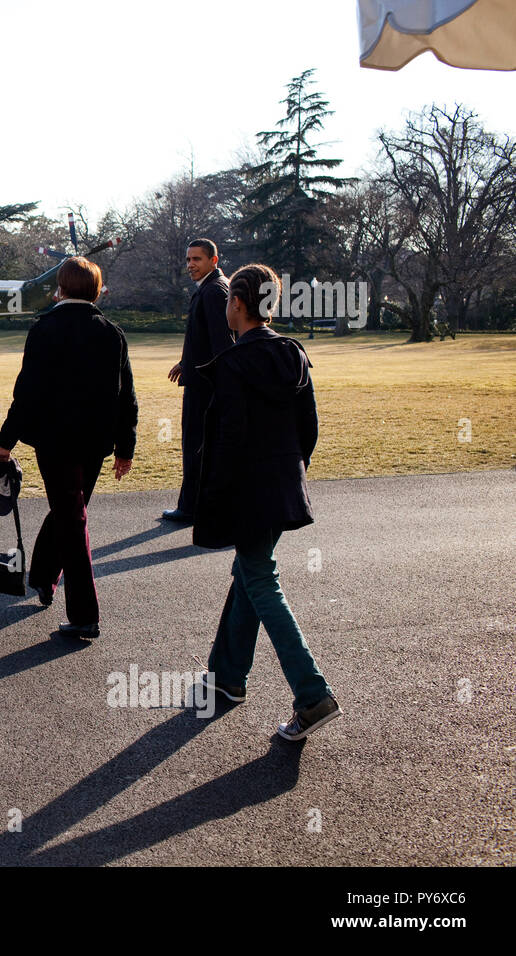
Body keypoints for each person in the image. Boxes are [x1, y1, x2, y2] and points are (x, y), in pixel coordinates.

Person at [194, 263, 341, 741]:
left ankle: (311, 692)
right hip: (282, 484)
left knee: (260, 578)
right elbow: (309, 430)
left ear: (237, 304)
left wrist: (213, 498)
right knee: (250, 573)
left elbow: (227, 441)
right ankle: (227, 678)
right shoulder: (293, 354)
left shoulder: (235, 365)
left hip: (247, 490)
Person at [0, 256, 137, 639]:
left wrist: (6, 441)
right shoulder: (111, 332)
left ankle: (84, 614)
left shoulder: (44, 329)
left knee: (71, 517)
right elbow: (127, 398)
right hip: (93, 441)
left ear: (61, 287)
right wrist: (126, 446)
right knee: (70, 512)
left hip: (55, 441)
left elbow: (27, 393)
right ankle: (42, 576)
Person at [163, 238, 233, 523]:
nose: (191, 264)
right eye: (189, 259)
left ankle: (191, 507)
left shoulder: (214, 291)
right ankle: (197, 504)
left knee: (196, 444)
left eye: (197, 259)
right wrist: (186, 362)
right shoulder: (210, 288)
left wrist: (215, 384)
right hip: (201, 380)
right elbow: (204, 337)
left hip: (206, 388)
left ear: (213, 261)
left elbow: (223, 344)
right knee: (200, 445)